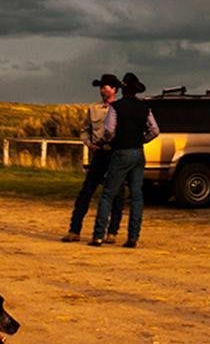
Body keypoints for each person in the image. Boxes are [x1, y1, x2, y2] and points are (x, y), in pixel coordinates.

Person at [90, 71, 159, 248]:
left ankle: (98, 235)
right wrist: (141, 140)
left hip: (121, 151)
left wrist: (105, 141)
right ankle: (133, 237)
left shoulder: (117, 107)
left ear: (123, 90)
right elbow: (155, 130)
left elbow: (109, 130)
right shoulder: (144, 108)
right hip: (138, 151)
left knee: (107, 194)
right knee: (136, 196)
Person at [63, 73, 126, 242]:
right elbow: (85, 129)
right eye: (101, 87)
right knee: (86, 191)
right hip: (98, 153)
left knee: (117, 194)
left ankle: (112, 232)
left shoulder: (121, 108)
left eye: (105, 87)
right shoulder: (93, 108)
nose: (102, 90)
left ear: (114, 89)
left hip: (115, 153)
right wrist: (88, 143)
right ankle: (74, 230)